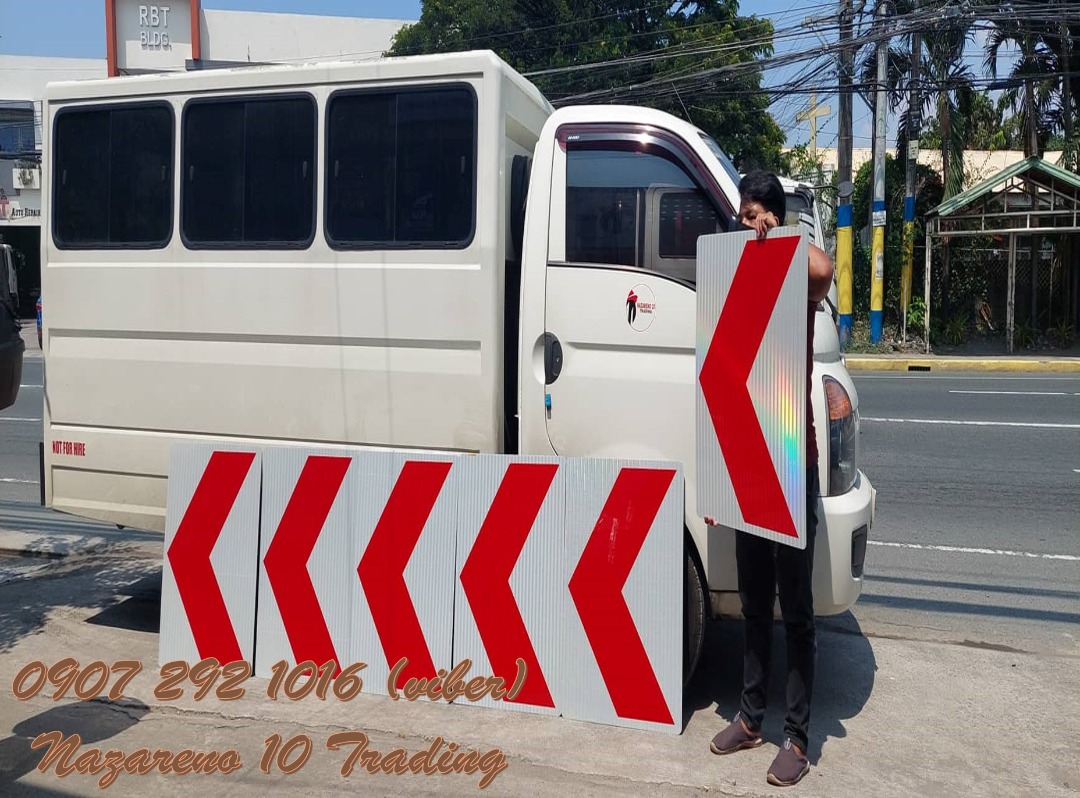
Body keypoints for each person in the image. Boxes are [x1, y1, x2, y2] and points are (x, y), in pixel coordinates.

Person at [704, 170, 834, 788]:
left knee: (797, 609)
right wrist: (717, 477)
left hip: (790, 462)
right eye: (741, 217)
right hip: (746, 467)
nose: (746, 227)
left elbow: (824, 271)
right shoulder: (733, 274)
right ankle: (751, 718)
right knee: (754, 602)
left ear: (776, 217)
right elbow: (718, 378)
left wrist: (779, 236)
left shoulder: (791, 271)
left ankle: (799, 739)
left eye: (755, 214)